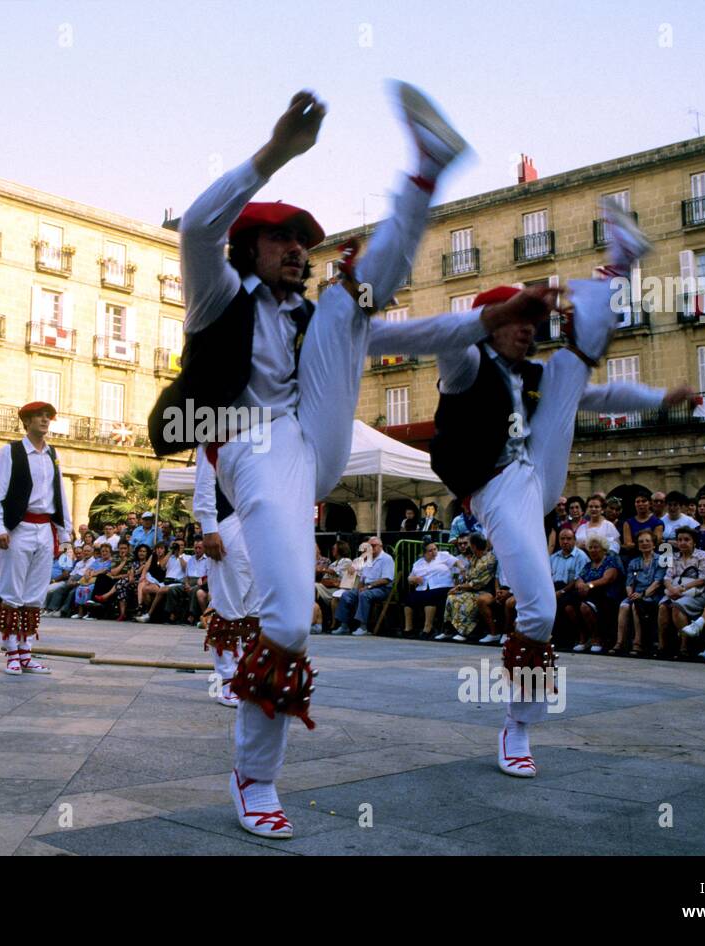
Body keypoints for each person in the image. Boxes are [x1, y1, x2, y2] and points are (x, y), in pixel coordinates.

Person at [147, 82, 468, 838]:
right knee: (290, 620)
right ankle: (253, 777)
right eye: (283, 239)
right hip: (250, 447)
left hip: (309, 434)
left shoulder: (313, 317)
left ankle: (423, 172)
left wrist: (474, 326)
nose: (298, 250)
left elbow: (396, 335)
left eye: (305, 241)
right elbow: (195, 226)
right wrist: (276, 154)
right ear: (248, 249)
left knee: (351, 303)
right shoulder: (217, 296)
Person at [422, 195, 695, 777]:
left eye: (533, 324)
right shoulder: (466, 365)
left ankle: (614, 270)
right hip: (494, 489)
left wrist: (659, 400)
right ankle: (516, 726)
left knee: (570, 370)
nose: (528, 332)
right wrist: (485, 319)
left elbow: (597, 395)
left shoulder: (536, 372)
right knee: (540, 610)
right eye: (518, 323)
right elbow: (449, 342)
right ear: (492, 326)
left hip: (535, 477)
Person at [0, 402, 70, 675]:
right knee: (13, 591)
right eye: (39, 416)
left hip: (44, 528)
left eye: (48, 417)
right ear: (26, 421)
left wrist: (64, 532)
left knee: (35, 594)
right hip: (19, 527)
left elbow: (59, 495)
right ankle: (11, 652)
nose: (45, 421)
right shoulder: (10, 452)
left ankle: (26, 652)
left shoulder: (52, 454)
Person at [193, 443, 261, 708]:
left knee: (255, 607)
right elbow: (204, 481)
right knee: (228, 605)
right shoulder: (215, 429)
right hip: (229, 522)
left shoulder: (265, 425)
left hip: (259, 521)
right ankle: (226, 681)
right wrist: (209, 527)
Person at [656, 529, 705, 658]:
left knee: (677, 607)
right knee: (662, 607)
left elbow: (704, 579)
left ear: (694, 542)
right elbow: (667, 577)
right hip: (675, 591)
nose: (682, 542)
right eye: (680, 540)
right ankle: (662, 645)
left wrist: (681, 589)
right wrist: (671, 589)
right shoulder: (673, 557)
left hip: (698, 593)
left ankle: (684, 647)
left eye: (687, 540)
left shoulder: (704, 555)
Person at [564, 535, 622, 653]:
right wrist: (581, 584)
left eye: (596, 547)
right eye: (590, 547)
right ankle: (583, 637)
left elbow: (607, 579)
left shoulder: (610, 561)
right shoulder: (588, 564)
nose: (593, 550)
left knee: (585, 607)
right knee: (569, 607)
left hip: (604, 595)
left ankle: (597, 638)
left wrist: (589, 585)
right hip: (587, 594)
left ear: (603, 548)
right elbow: (579, 578)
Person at [614, 531, 664, 656]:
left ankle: (638, 643)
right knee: (624, 606)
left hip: (653, 594)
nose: (644, 543)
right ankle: (620, 642)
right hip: (636, 594)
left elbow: (658, 582)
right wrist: (630, 594)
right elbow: (629, 583)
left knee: (637, 605)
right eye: (641, 541)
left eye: (648, 541)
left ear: (654, 544)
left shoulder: (661, 560)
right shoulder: (634, 562)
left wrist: (642, 595)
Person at [439, 532, 497, 642]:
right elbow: (468, 575)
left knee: (463, 599)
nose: (467, 546)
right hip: (471, 588)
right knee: (452, 597)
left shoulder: (489, 559)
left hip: (485, 590)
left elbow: (478, 583)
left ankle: (464, 632)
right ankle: (449, 630)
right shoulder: (475, 557)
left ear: (474, 546)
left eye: (469, 543)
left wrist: (460, 587)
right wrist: (459, 586)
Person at [332, 536, 394, 636]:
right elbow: (363, 578)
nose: (371, 548)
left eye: (373, 545)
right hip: (367, 586)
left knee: (364, 595)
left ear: (380, 546)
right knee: (346, 595)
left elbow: (386, 579)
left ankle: (363, 627)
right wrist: (359, 588)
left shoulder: (386, 559)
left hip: (382, 588)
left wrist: (368, 587)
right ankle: (344, 626)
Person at [403, 541, 456, 639]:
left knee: (430, 597)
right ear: (424, 553)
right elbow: (410, 578)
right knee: (409, 599)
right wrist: (413, 579)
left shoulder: (443, 556)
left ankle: (428, 628)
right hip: (423, 588)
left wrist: (461, 568)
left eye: (435, 549)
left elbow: (457, 562)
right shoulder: (418, 563)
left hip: (443, 585)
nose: (434, 552)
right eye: (430, 551)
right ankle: (408, 629)